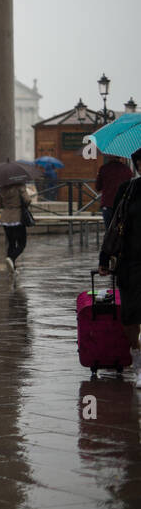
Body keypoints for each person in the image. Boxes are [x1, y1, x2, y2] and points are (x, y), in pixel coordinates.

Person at [99, 147, 141, 386]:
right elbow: (115, 225)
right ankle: (138, 363)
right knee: (130, 314)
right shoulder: (128, 189)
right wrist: (105, 257)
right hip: (131, 261)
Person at [0, 179, 32, 275]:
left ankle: (12, 269)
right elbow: (27, 200)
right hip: (17, 217)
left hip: (5, 218)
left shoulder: (1, 189)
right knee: (22, 244)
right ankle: (11, 258)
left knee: (11, 243)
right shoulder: (20, 187)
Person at [98, 154, 133, 230]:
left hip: (107, 204)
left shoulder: (104, 169)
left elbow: (98, 187)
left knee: (109, 231)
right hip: (122, 205)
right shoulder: (127, 170)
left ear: (110, 156)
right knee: (121, 232)